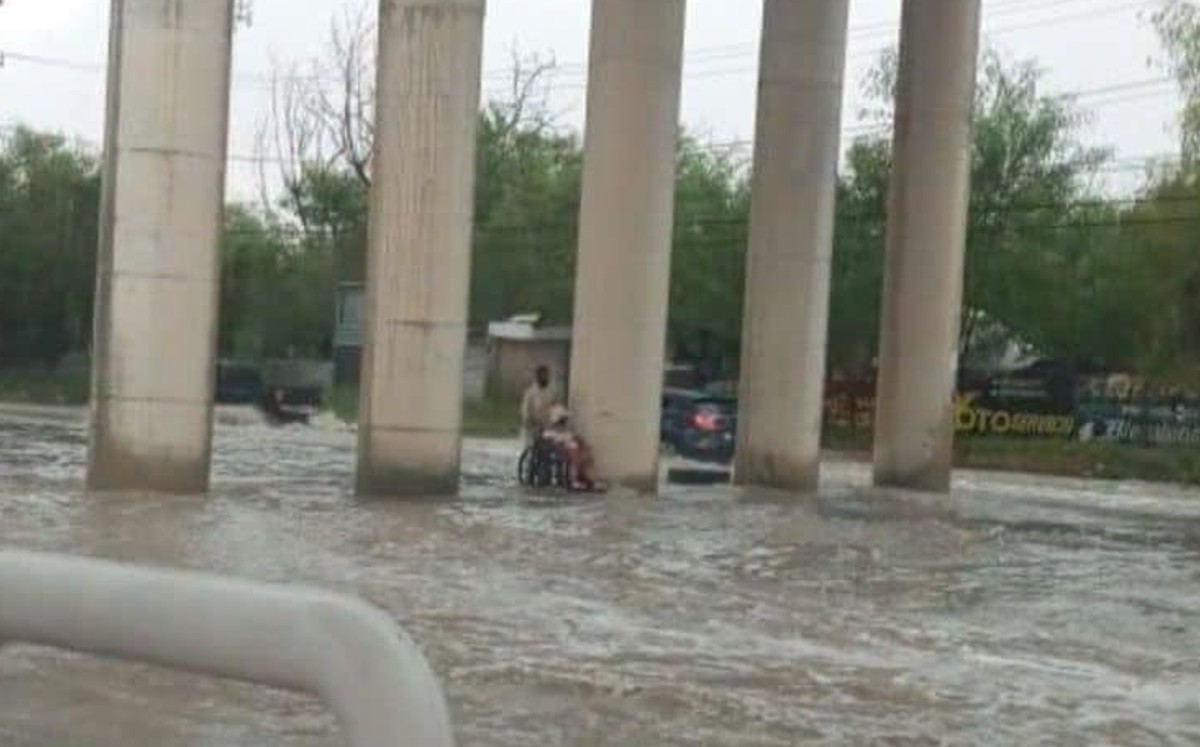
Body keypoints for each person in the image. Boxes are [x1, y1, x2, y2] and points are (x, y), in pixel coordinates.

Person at [542, 405, 605, 492]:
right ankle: (574, 480)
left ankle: (594, 481)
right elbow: (551, 444)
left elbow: (576, 438)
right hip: (561, 451)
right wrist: (564, 443)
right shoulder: (549, 432)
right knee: (575, 454)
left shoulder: (567, 430)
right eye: (562, 419)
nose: (564, 421)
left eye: (564, 419)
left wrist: (582, 444)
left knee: (586, 456)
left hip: (573, 449)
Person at [520, 365, 558, 445]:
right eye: (543, 376)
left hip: (547, 428)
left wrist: (554, 421)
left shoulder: (552, 391)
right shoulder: (530, 392)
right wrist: (530, 422)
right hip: (533, 428)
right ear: (537, 377)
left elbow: (555, 407)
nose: (545, 378)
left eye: (547, 376)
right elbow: (525, 411)